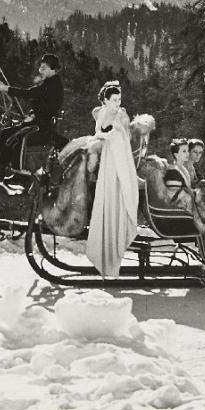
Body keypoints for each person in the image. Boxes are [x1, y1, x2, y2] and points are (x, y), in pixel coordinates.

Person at [85, 81, 139, 278]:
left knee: (120, 195)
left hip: (121, 158)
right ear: (105, 100)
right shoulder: (100, 113)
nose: (117, 103)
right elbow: (99, 132)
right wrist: (104, 135)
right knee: (105, 197)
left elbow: (124, 135)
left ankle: (118, 243)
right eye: (114, 100)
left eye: (119, 99)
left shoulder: (121, 114)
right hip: (108, 158)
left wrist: (114, 132)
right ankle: (104, 253)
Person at [0, 53, 65, 179]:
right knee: (5, 133)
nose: (40, 69)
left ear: (53, 69)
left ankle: (19, 173)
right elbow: (42, 104)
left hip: (43, 127)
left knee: (15, 137)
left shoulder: (53, 85)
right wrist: (33, 114)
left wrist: (5, 88)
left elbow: (30, 93)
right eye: (41, 66)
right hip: (37, 123)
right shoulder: (48, 83)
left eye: (44, 67)